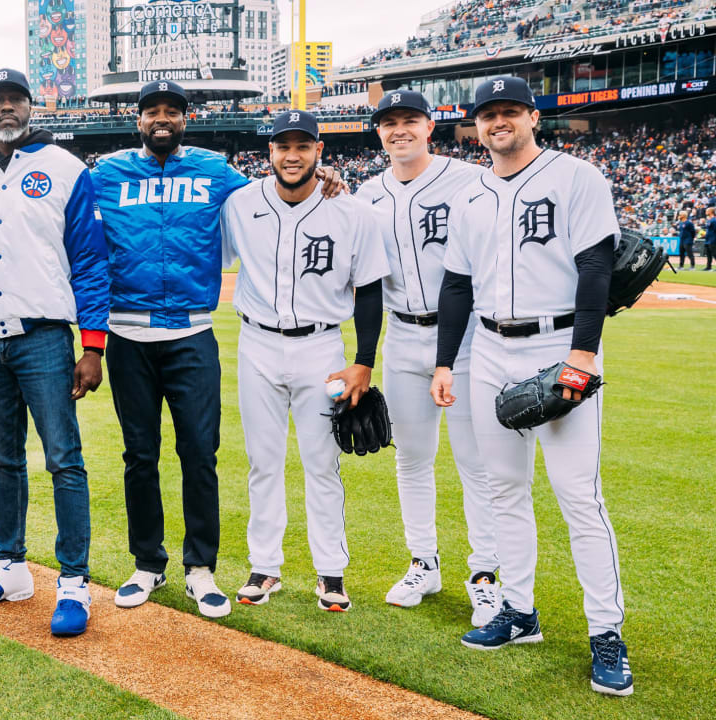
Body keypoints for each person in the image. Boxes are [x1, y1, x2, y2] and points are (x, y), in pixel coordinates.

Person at [430, 76, 632, 696]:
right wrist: (445, 363)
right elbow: (457, 285)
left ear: (532, 116)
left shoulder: (577, 177)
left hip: (559, 340)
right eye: (488, 114)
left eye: (510, 111)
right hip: (489, 347)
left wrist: (583, 354)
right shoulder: (468, 197)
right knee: (503, 491)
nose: (499, 122)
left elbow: (596, 266)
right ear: (475, 125)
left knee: (579, 496)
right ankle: (519, 611)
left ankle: (606, 633)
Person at [0, 68, 109, 637]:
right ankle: (9, 567)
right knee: (3, 459)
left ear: (31, 106)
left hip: (45, 337)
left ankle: (74, 584)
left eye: (15, 99)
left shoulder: (65, 167)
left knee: (64, 458)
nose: (5, 108)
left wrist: (92, 346)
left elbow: (89, 260)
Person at [220, 110, 389, 613]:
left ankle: (331, 572)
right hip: (257, 344)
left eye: (303, 146)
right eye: (282, 146)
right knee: (262, 461)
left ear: (320, 151)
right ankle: (264, 566)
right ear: (268, 152)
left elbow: (371, 290)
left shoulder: (352, 211)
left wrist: (363, 361)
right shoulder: (239, 204)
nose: (292, 155)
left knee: (322, 462)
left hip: (321, 348)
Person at [90, 81, 246, 618]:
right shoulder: (107, 174)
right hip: (127, 335)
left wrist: (327, 180)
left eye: (172, 112)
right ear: (138, 120)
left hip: (190, 334)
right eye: (152, 111)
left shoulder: (215, 170)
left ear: (186, 118)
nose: (162, 119)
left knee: (200, 454)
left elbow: (272, 199)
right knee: (140, 456)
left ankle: (201, 568)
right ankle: (148, 562)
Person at [354, 89, 500, 627]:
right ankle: (423, 562)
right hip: (402, 337)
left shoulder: (469, 180)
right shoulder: (365, 194)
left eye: (410, 120)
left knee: (475, 462)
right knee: (411, 457)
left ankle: (485, 574)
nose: (400, 130)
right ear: (378, 132)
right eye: (389, 122)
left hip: (464, 339)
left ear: (430, 125)